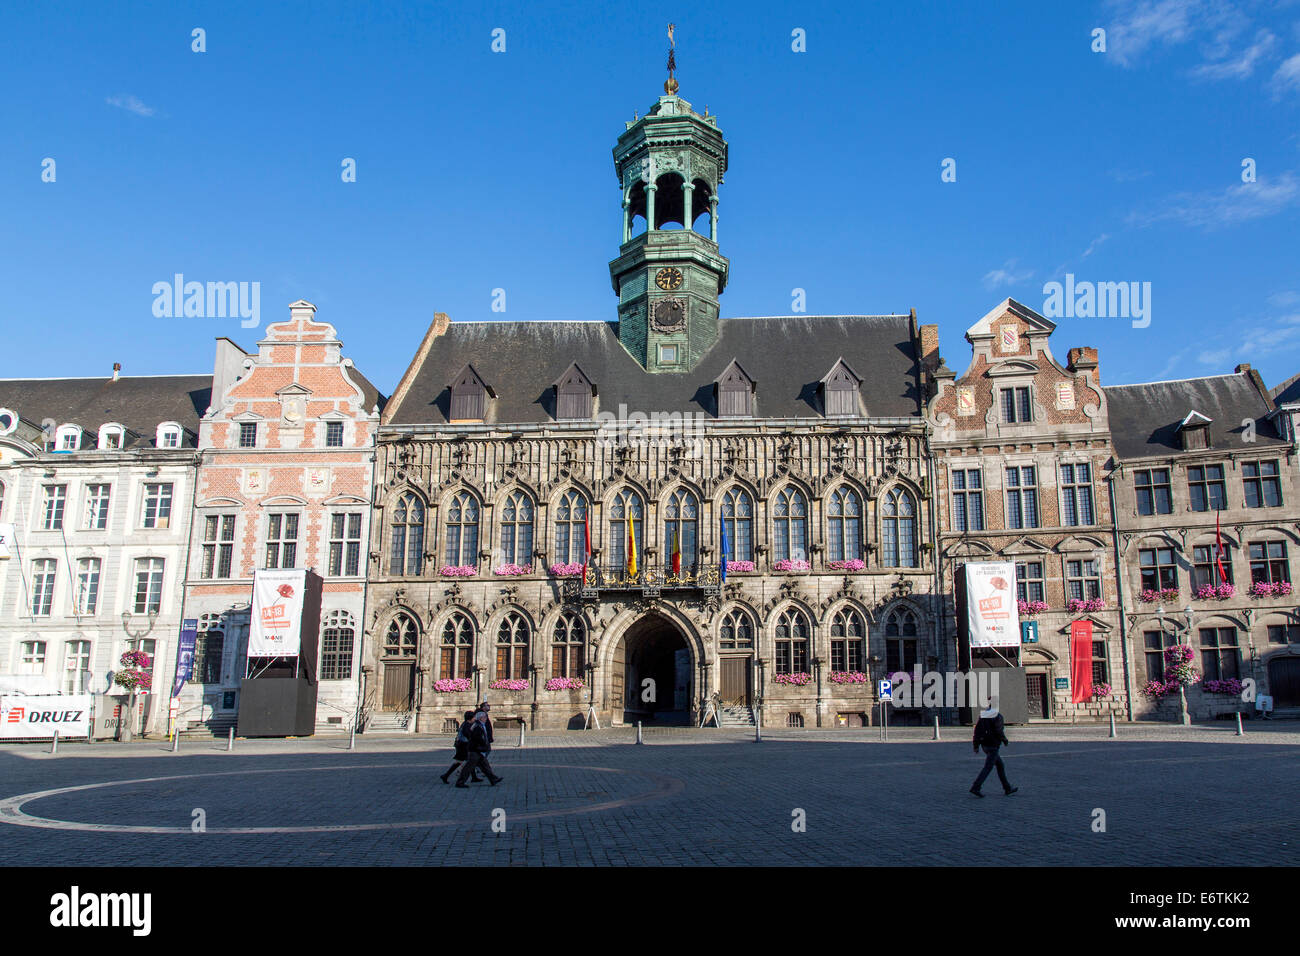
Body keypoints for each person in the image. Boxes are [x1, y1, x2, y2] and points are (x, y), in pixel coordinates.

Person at [969, 702, 1017, 797]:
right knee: (988, 767)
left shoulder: (983, 716)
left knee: (1000, 765)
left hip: (985, 745)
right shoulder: (997, 716)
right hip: (993, 745)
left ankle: (1007, 788)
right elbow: (999, 731)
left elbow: (977, 730)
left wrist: (976, 745)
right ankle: (976, 787)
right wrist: (1005, 740)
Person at [456, 711, 502, 787]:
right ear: (481, 718)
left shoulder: (479, 725)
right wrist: (483, 744)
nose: (486, 719)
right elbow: (476, 737)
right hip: (475, 749)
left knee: (485, 765)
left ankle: (493, 779)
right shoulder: (477, 726)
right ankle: (460, 782)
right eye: (485, 717)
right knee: (469, 766)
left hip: (477, 749)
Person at [440, 710, 477, 784]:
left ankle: (474, 777)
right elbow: (467, 734)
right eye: (474, 717)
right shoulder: (467, 724)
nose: (475, 719)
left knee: (467, 760)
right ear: (470, 718)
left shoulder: (467, 724)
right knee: (464, 761)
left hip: (461, 744)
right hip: (463, 745)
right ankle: (446, 775)